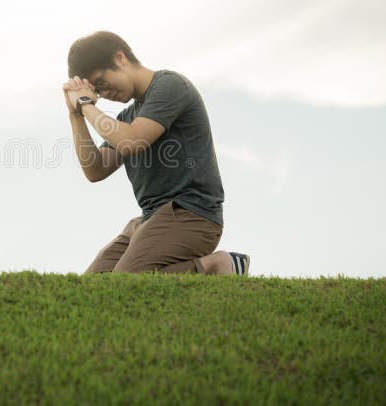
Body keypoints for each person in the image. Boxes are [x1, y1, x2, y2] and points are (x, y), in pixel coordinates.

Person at [63, 30, 250, 276]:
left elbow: (131, 141)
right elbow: (95, 169)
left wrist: (86, 105)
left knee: (124, 283)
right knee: (90, 289)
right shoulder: (126, 118)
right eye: (97, 92)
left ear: (120, 58)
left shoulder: (170, 86)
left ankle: (218, 265)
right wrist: (75, 114)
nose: (104, 94)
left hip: (192, 214)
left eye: (102, 83)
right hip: (149, 220)